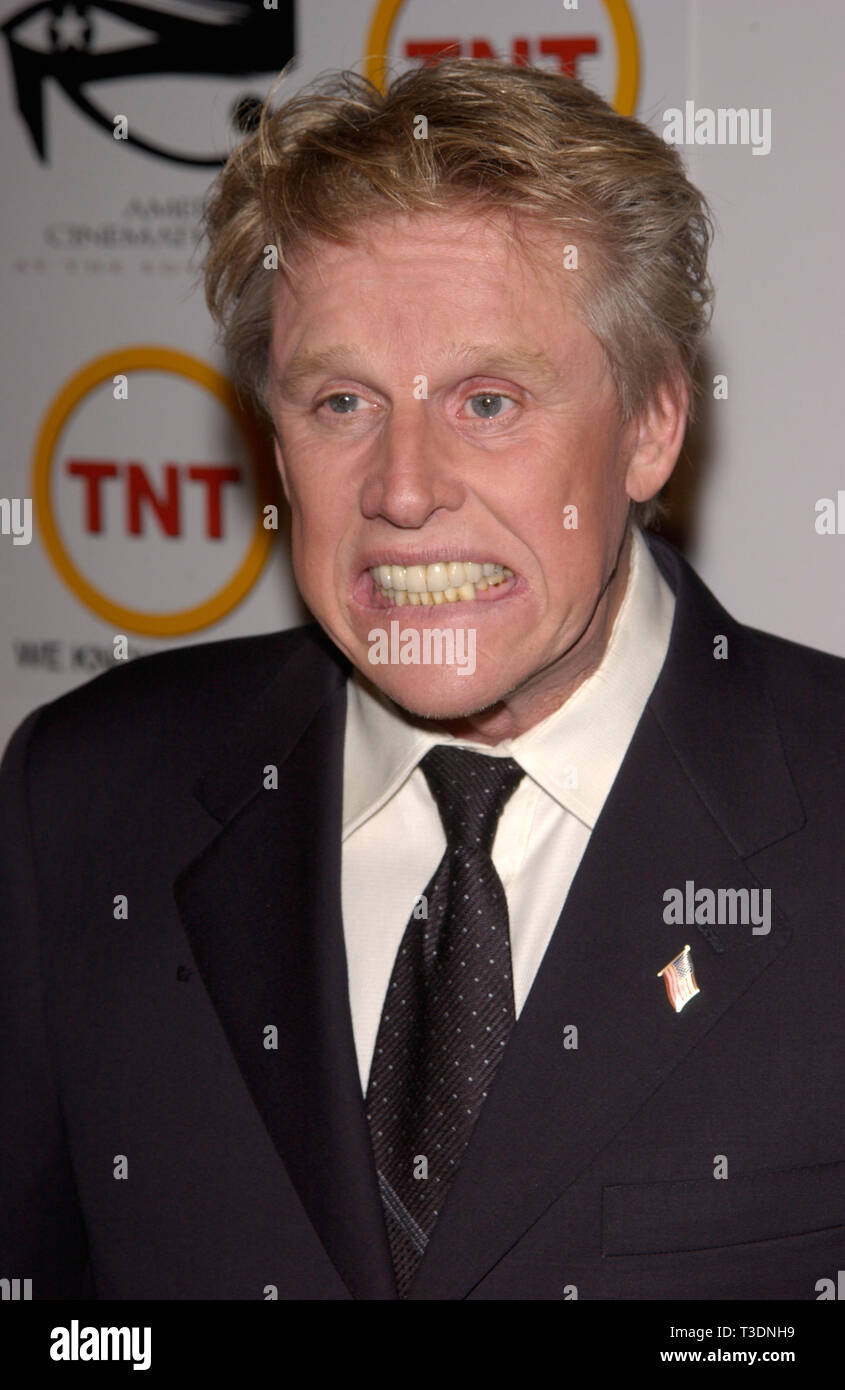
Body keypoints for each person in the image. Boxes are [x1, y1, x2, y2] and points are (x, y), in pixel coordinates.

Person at [1, 58, 843, 1302]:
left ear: (653, 423)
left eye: (487, 401)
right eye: (340, 400)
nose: (400, 489)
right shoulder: (82, 804)